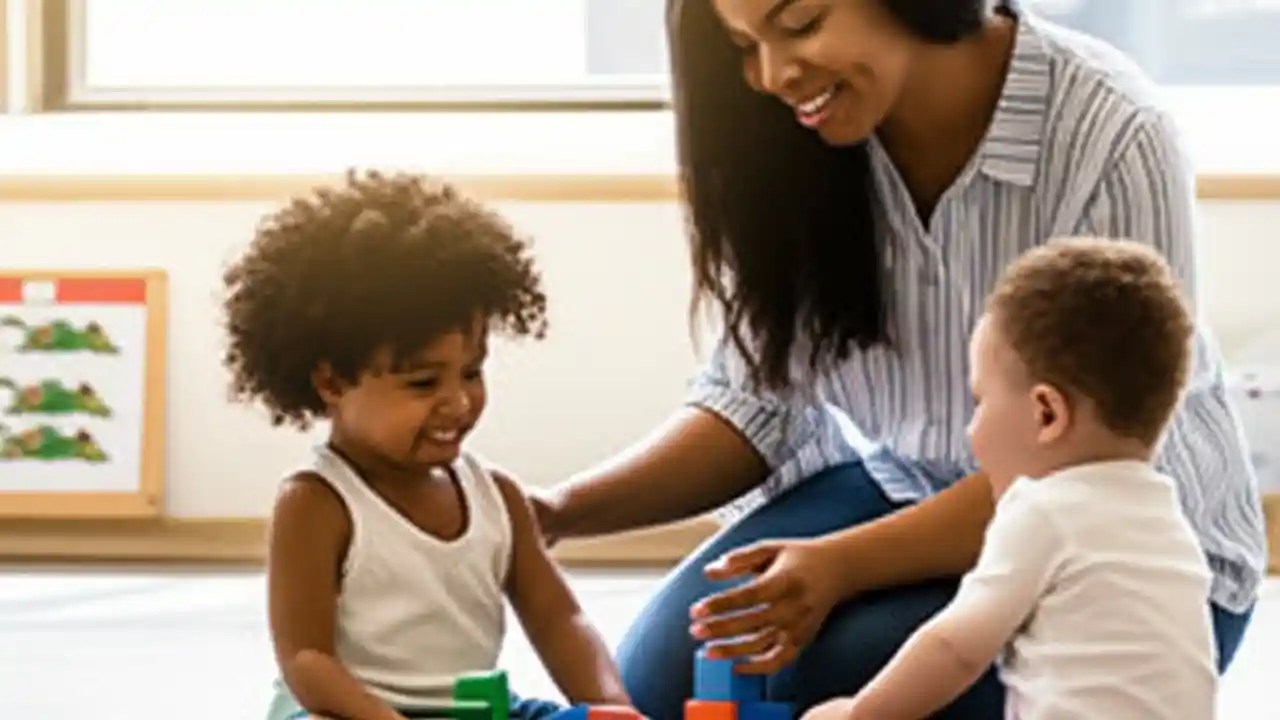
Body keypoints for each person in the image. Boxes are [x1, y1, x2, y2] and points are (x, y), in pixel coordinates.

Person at [530, 0, 1266, 717]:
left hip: (1112, 537)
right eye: (743, 46)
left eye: (799, 25)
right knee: (663, 678)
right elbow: (752, 403)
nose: (773, 74)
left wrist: (843, 564)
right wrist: (555, 513)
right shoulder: (795, 147)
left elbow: (1078, 463)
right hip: (909, 487)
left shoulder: (1113, 134)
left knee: (825, 679)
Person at [221, 171, 632, 720]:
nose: (458, 402)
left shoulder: (497, 497)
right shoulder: (317, 504)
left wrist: (609, 705)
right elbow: (307, 659)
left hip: (476, 710)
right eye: (423, 383)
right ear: (331, 383)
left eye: (472, 372)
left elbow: (561, 620)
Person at [803, 237, 1218, 720]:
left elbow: (955, 647)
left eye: (980, 403)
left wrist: (860, 714)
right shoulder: (1168, 520)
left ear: (1046, 413)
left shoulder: (1042, 510)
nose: (971, 429)